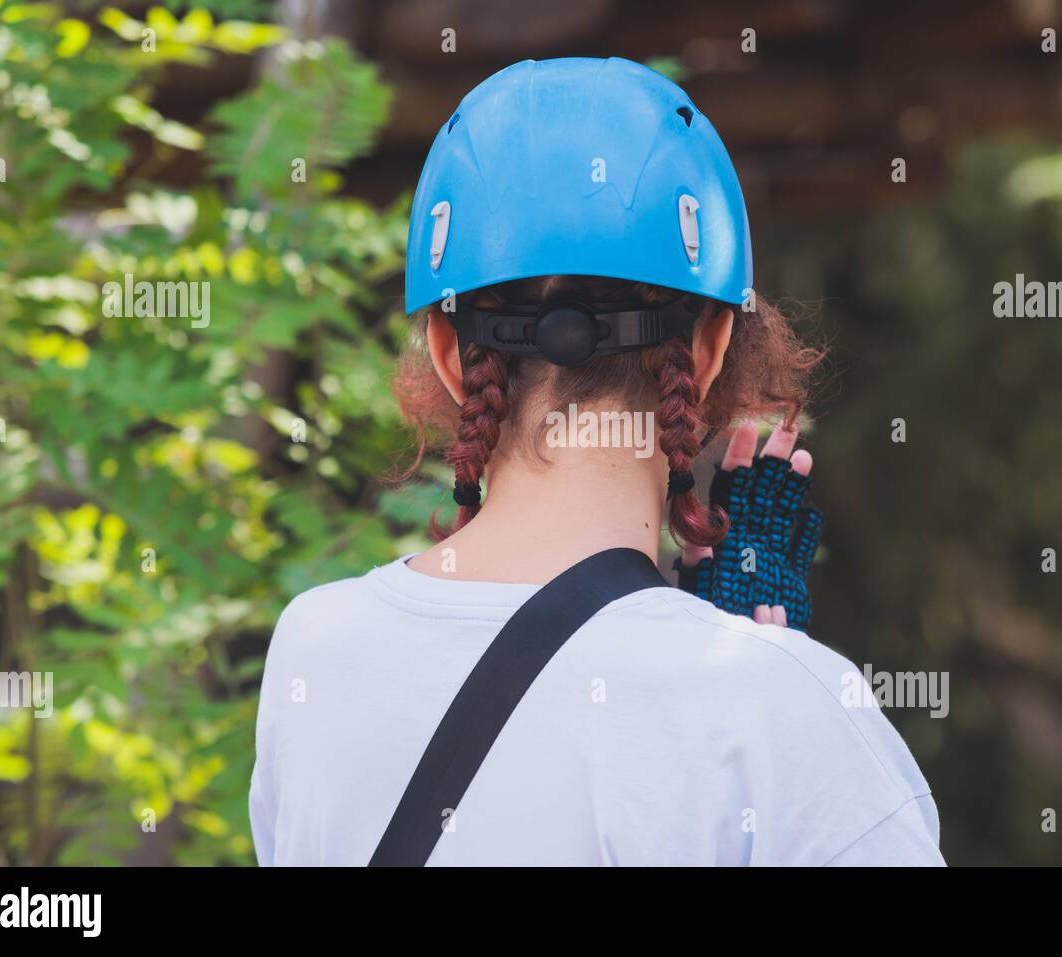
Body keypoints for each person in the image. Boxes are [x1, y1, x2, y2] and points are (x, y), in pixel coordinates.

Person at [249, 57, 944, 866]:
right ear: (712, 346)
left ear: (446, 350)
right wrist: (765, 688)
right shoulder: (789, 716)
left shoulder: (312, 654)